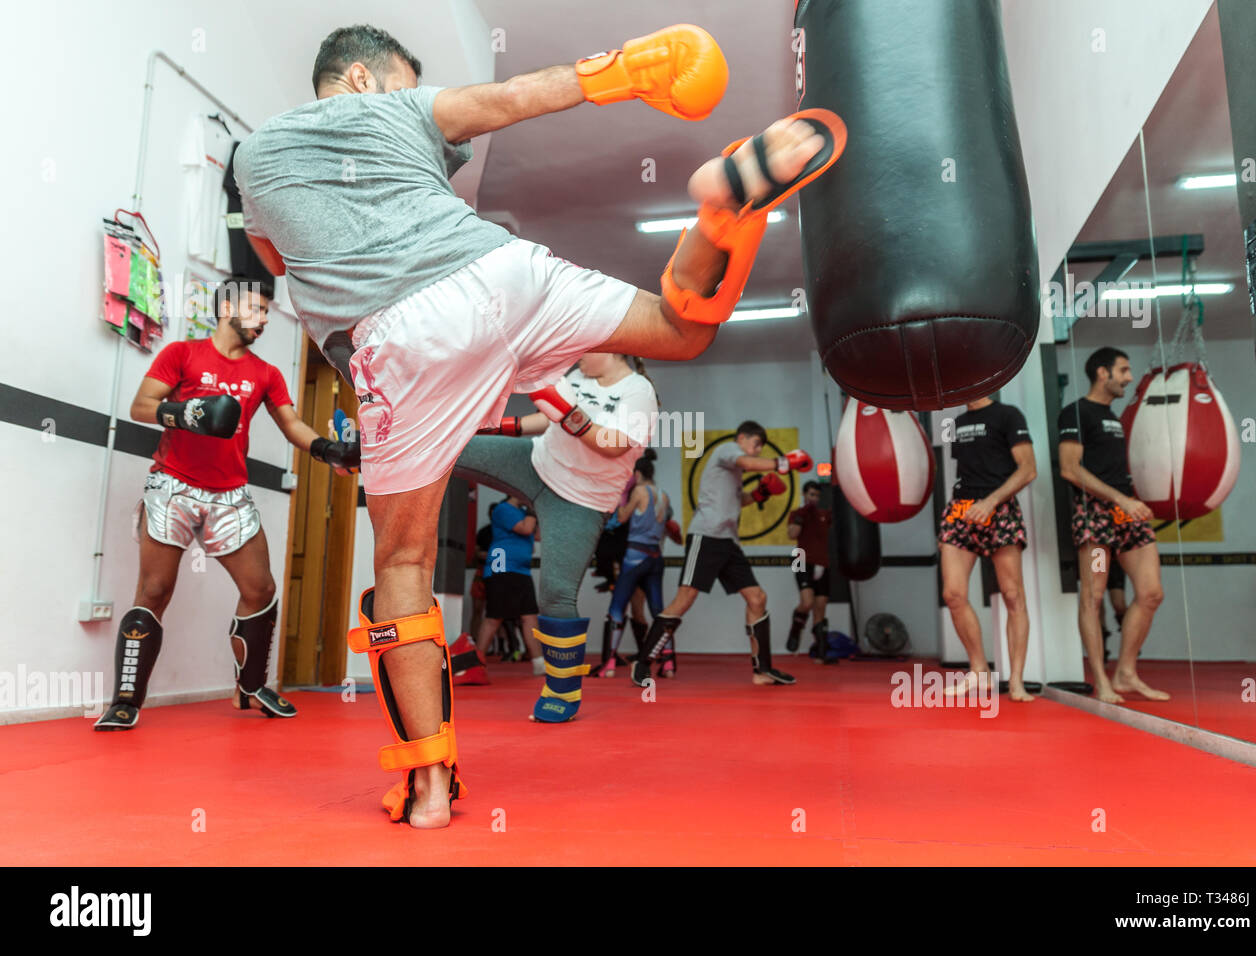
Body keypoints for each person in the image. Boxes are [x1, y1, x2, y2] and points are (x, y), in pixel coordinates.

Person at [234, 22, 845, 827]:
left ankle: (427, 785)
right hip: (501, 273)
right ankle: (722, 214)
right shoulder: (385, 110)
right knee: (678, 328)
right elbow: (508, 99)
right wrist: (625, 71)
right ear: (357, 79)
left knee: (405, 563)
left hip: (401, 336)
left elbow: (272, 262)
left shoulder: (253, 161)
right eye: (401, 81)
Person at [94, 278, 359, 730]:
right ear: (227, 308)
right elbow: (142, 406)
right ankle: (126, 699)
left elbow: (291, 424)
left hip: (229, 493)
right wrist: (187, 413)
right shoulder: (182, 354)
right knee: (154, 591)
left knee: (261, 589)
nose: (262, 319)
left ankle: (250, 688)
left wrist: (327, 451)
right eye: (255, 309)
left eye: (266, 313)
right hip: (173, 484)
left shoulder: (267, 373)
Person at [460, 351, 659, 719]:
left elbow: (613, 443)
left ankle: (561, 693)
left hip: (580, 499)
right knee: (452, 446)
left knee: (556, 595)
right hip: (535, 462)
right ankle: (360, 450)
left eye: (587, 352)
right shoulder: (579, 378)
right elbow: (548, 418)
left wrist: (569, 414)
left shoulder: (638, 391)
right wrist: (500, 427)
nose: (579, 359)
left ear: (613, 350)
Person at [632, 422, 813, 686]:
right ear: (742, 438)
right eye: (756, 444)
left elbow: (738, 500)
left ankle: (762, 670)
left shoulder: (734, 472)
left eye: (761, 447)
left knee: (757, 598)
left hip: (729, 541)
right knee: (685, 599)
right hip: (706, 535)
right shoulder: (727, 450)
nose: (758, 450)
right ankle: (643, 661)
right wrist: (783, 462)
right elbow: (748, 462)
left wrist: (761, 493)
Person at [1058, 347, 1168, 704]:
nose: (1129, 377)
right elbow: (1070, 469)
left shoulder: (1113, 417)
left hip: (1125, 515)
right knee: (1094, 595)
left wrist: (1129, 501)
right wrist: (1119, 500)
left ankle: (1125, 672)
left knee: (1151, 593)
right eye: (1123, 370)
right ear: (1102, 373)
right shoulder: (1076, 411)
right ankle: (1102, 682)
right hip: (1096, 518)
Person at [937, 394, 1037, 702]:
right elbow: (964, 470)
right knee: (953, 594)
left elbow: (1028, 469)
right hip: (961, 509)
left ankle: (1017, 680)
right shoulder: (953, 424)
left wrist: (991, 502)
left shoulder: (1008, 414)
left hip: (999, 506)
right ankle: (978, 670)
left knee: (1012, 595)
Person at [596, 452, 683, 678]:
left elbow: (622, 517)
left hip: (635, 556)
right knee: (659, 612)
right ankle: (668, 663)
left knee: (617, 608)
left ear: (637, 473)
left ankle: (609, 663)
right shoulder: (663, 495)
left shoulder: (639, 491)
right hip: (656, 557)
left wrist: (616, 501)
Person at [476, 495, 544, 673]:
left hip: (521, 570)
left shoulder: (523, 512)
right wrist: (533, 508)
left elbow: (538, 535)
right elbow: (526, 528)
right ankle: (476, 662)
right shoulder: (503, 509)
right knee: (494, 617)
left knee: (529, 616)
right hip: (502, 567)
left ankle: (539, 663)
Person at [785, 483, 834, 662]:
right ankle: (795, 630)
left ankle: (821, 652)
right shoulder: (798, 513)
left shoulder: (824, 515)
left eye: (817, 496)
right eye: (811, 495)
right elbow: (792, 534)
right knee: (806, 603)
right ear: (804, 494)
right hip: (802, 560)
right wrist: (802, 515)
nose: (814, 499)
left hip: (822, 563)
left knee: (820, 607)